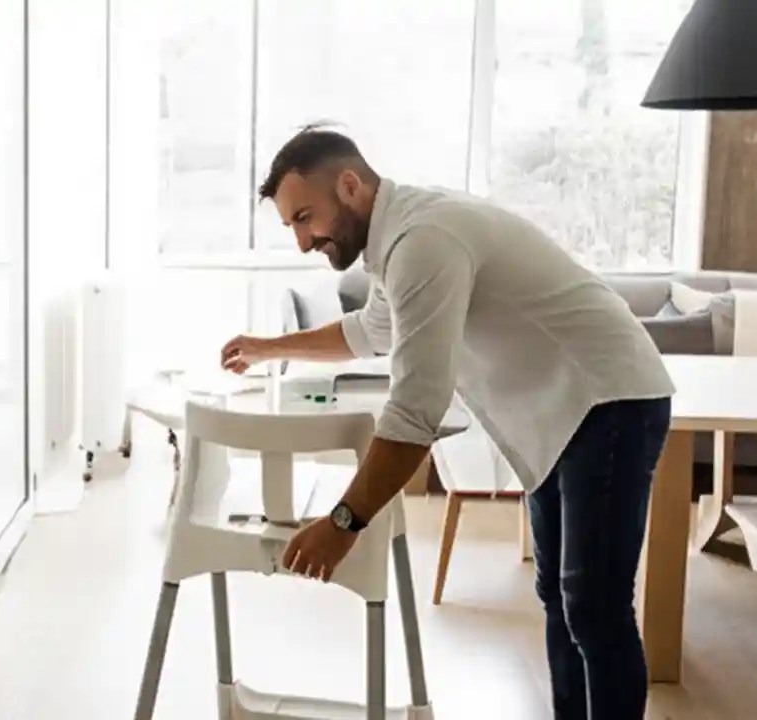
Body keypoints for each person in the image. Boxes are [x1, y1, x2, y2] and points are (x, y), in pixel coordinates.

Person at [219, 125, 675, 720]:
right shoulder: (399, 240)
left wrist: (342, 521)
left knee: (594, 606)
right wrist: (267, 346)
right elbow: (372, 331)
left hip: (609, 396)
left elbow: (415, 411)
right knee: (562, 602)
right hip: (563, 411)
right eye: (293, 227)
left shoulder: (423, 242)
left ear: (349, 186)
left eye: (306, 217)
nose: (305, 241)